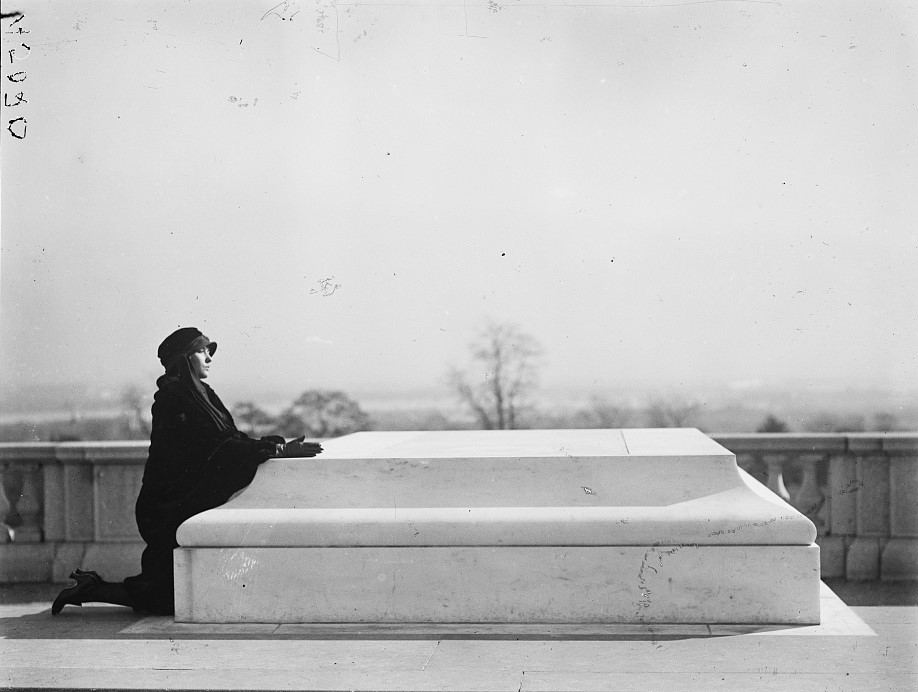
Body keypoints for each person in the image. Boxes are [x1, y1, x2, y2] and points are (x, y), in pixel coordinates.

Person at [51, 327, 322, 615]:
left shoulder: (203, 394)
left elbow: (231, 439)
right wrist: (276, 450)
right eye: (202, 350)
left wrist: (275, 446)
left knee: (168, 593)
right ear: (184, 358)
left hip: (183, 500)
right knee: (165, 597)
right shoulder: (172, 399)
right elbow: (215, 448)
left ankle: (89, 585)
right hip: (167, 506)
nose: (209, 357)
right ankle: (90, 587)